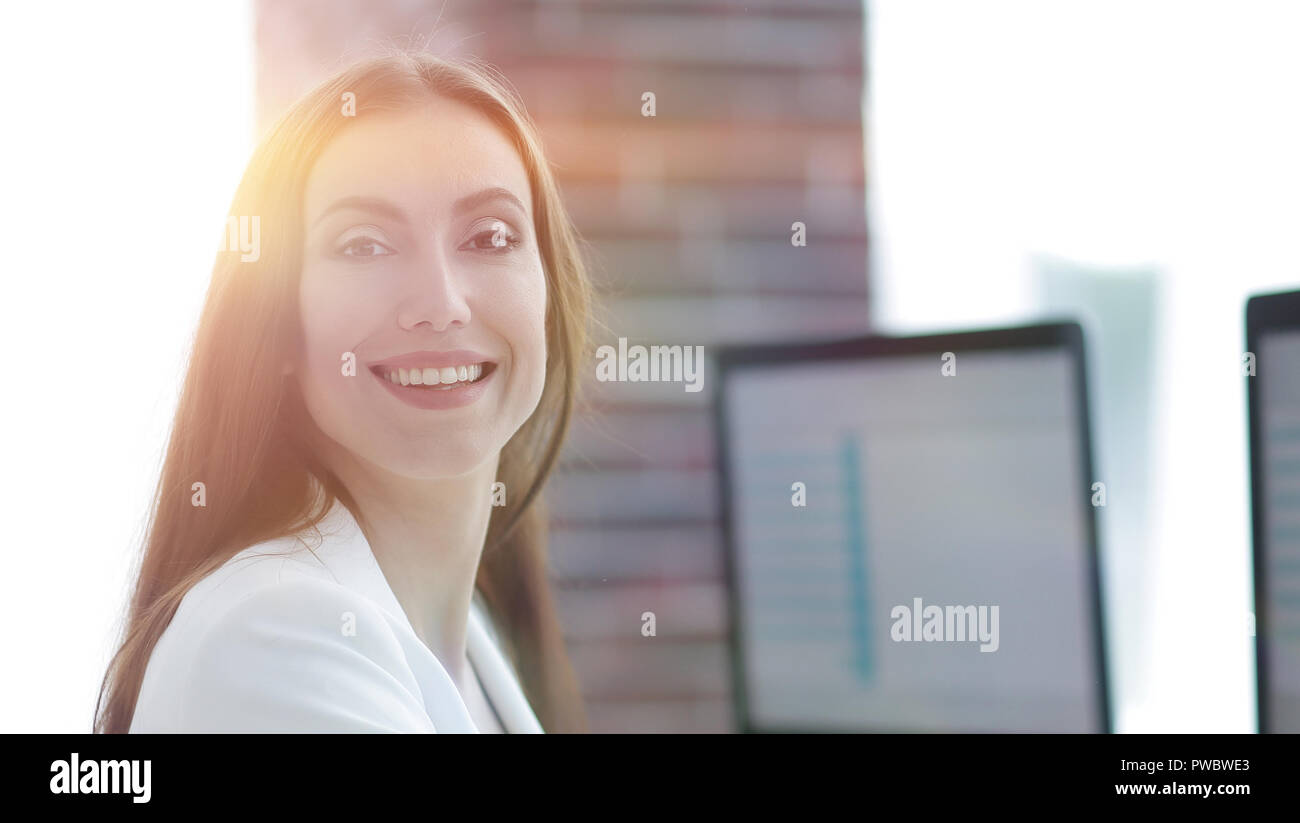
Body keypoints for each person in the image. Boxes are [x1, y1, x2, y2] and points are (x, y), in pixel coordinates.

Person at [94, 51, 592, 733]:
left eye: (490, 235)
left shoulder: (467, 638)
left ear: (547, 295)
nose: (441, 304)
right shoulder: (269, 632)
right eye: (364, 245)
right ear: (276, 324)